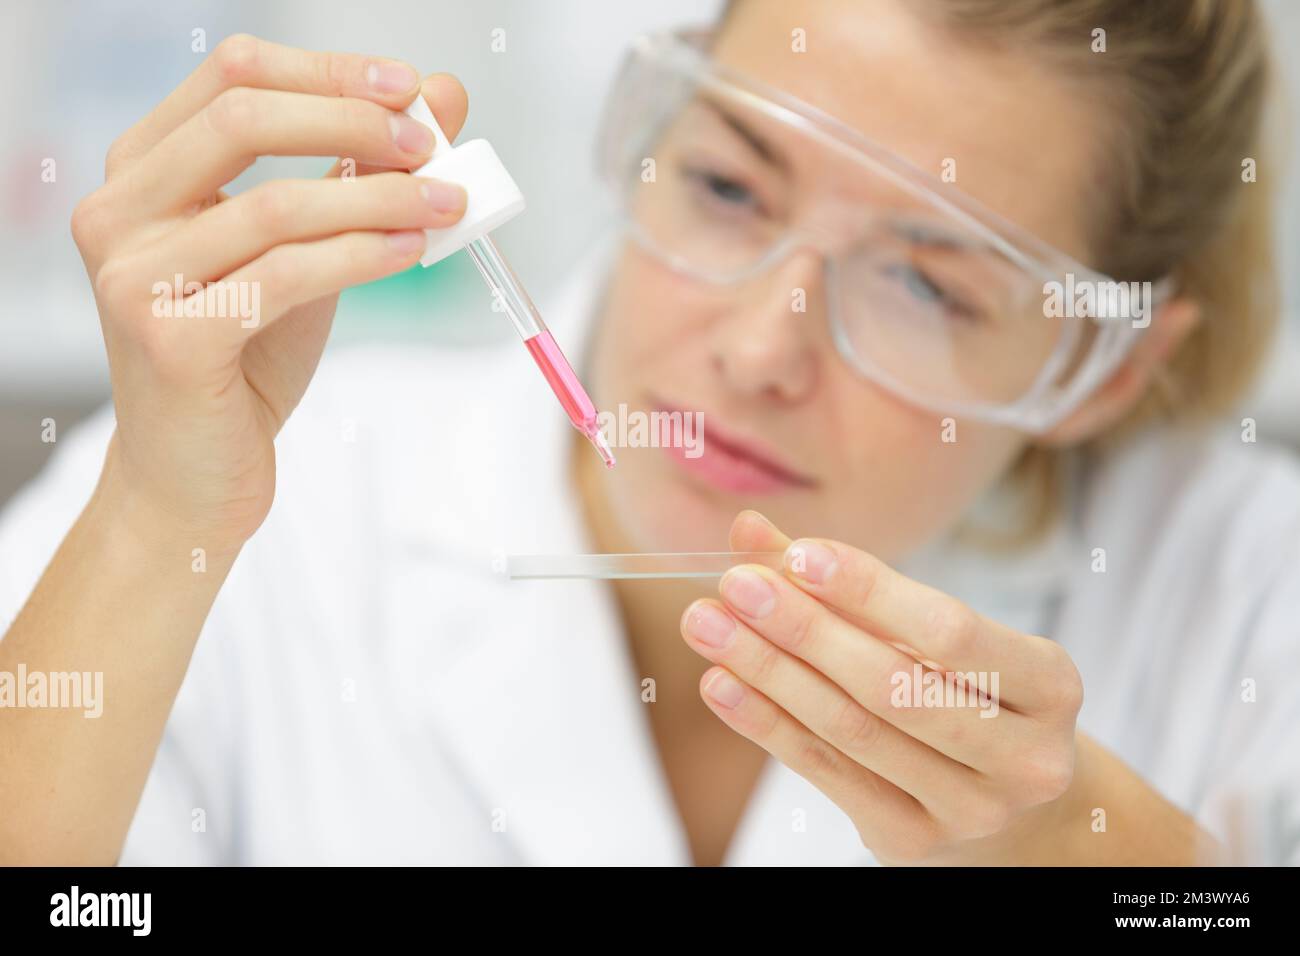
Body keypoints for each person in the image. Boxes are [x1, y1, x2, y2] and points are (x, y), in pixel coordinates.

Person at [2, 0, 1296, 866]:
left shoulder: (1247, 598)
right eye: (730, 188)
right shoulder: (236, 493)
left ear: (1106, 368)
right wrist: (156, 523)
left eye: (930, 285)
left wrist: (1110, 851)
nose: (756, 351)